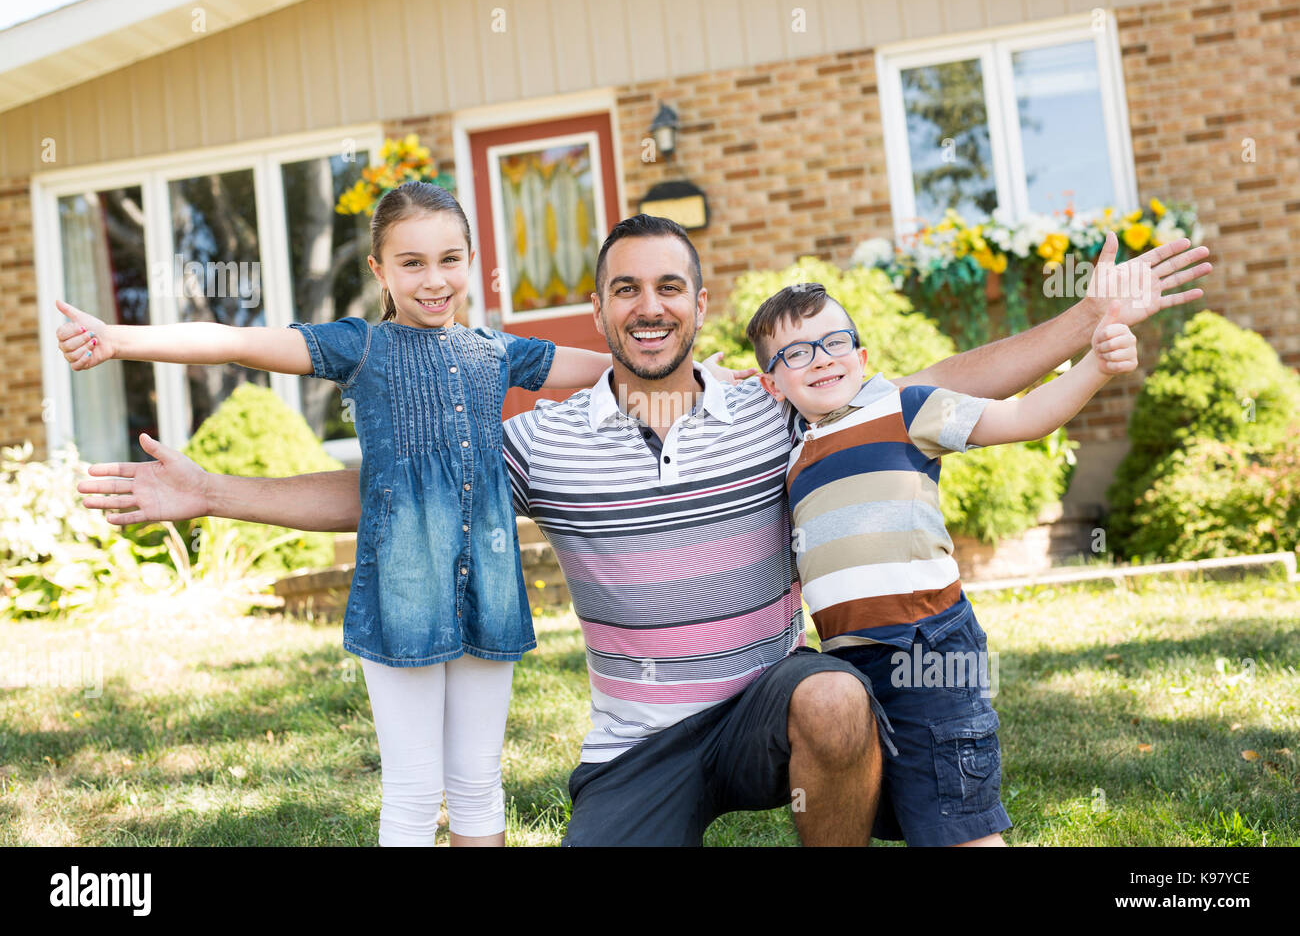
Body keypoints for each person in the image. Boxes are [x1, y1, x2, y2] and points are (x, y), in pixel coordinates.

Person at [74, 214, 1211, 845]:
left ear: (699, 305)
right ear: (601, 308)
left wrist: (1085, 317)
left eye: (671, 286)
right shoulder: (548, 438)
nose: (650, 305)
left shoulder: (769, 403)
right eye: (626, 289)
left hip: (763, 706)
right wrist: (216, 489)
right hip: (638, 741)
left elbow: (933, 384)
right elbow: (392, 498)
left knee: (834, 694)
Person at [53, 182, 745, 848]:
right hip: (402, 595)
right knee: (414, 790)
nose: (433, 280)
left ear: (471, 262)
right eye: (412, 264)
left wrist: (703, 375)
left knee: (479, 782)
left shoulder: (497, 352)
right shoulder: (362, 347)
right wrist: (119, 338)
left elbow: (613, 366)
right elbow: (237, 342)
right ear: (380, 270)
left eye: (449, 260)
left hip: (491, 593)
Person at [746, 282, 1139, 846]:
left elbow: (1025, 415)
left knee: (958, 828)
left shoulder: (906, 409)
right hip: (851, 668)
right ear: (772, 384)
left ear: (862, 357)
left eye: (835, 342)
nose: (821, 358)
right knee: (914, 815)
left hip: (926, 648)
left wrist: (1095, 366)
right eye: (797, 352)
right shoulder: (793, 457)